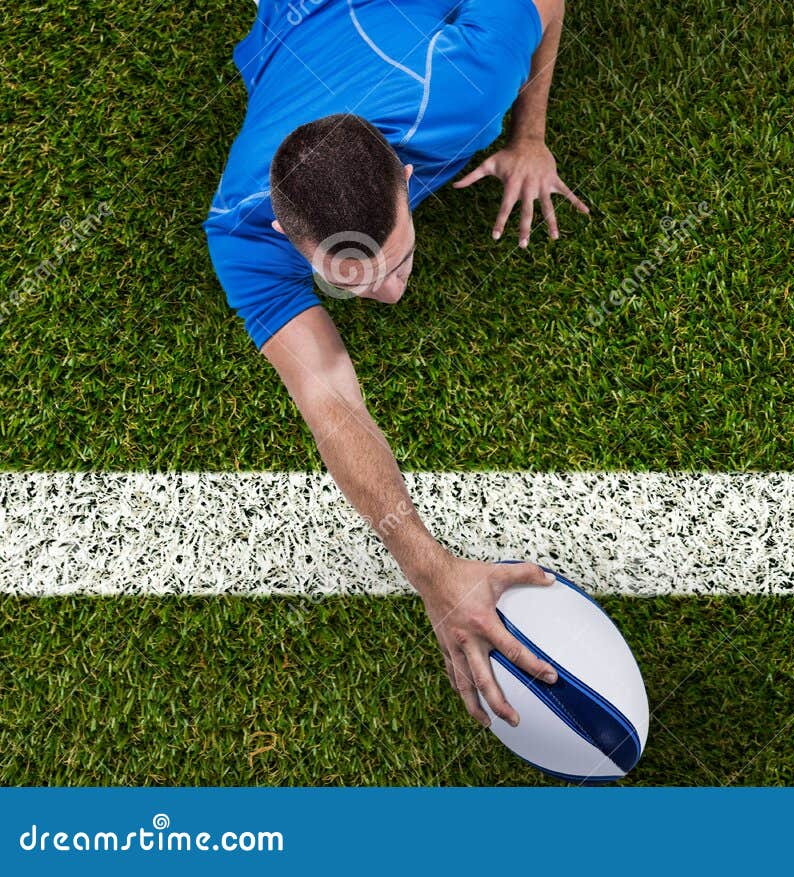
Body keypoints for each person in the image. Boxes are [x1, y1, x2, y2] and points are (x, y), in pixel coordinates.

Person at [203, 0, 590, 731]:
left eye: (397, 260)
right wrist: (431, 572)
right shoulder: (242, 232)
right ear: (286, 233)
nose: (388, 294)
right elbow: (328, 399)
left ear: (408, 177)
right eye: (348, 281)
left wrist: (529, 137)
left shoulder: (462, 88)